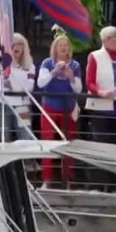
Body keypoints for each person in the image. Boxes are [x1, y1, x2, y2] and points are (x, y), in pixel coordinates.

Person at [36, 33, 82, 189]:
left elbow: (79, 89)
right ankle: (47, 179)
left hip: (68, 109)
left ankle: (67, 179)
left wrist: (71, 78)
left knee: (68, 143)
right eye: (61, 45)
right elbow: (41, 83)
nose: (64, 48)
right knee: (47, 142)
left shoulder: (75, 65)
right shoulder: (47, 63)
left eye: (66, 45)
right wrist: (54, 72)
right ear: (55, 48)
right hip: (50, 107)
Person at [84, 26, 116, 146]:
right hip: (101, 109)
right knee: (102, 142)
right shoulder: (95, 56)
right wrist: (101, 92)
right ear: (104, 40)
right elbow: (89, 82)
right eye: (112, 38)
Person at [0, 33, 37, 142]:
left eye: (20, 44)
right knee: (4, 138)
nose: (17, 46)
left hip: (22, 105)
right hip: (2, 104)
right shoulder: (4, 62)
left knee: (26, 137)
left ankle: (26, 160)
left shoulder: (30, 66)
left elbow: (30, 87)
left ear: (24, 47)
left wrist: (14, 88)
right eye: (14, 44)